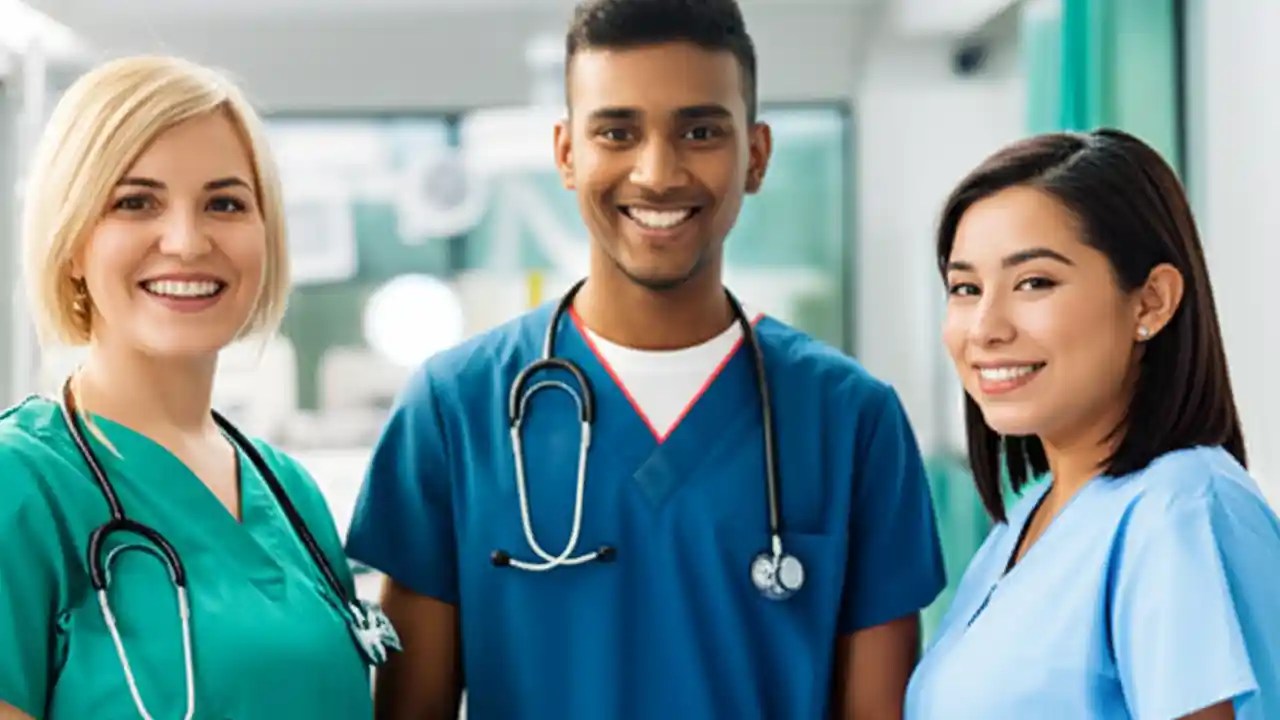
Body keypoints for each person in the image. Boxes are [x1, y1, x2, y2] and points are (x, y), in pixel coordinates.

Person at [344, 0, 946, 717]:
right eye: (617, 132)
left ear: (756, 156)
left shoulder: (850, 419)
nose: (657, 173)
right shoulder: (455, 410)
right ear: (567, 154)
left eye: (700, 132)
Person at [0, 56, 394, 720]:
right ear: (71, 243)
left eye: (224, 203)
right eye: (135, 202)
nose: (186, 241)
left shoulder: (290, 494)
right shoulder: (21, 485)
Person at [905, 129, 1280, 719]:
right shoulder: (1030, 519)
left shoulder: (1178, 508)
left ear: (1151, 301)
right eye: (966, 288)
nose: (985, 328)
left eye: (1034, 283)